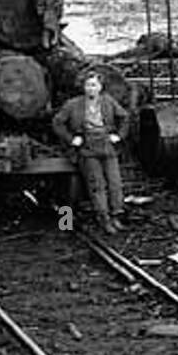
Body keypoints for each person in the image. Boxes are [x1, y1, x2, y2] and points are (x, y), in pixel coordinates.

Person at [52, 72, 129, 235]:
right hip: (88, 148)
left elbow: (124, 117)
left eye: (94, 85)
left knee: (115, 183)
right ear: (83, 88)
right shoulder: (73, 104)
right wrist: (71, 139)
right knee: (97, 184)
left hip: (107, 146)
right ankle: (104, 218)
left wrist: (119, 135)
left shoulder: (108, 101)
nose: (91, 89)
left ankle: (116, 214)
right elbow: (58, 122)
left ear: (100, 87)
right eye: (88, 85)